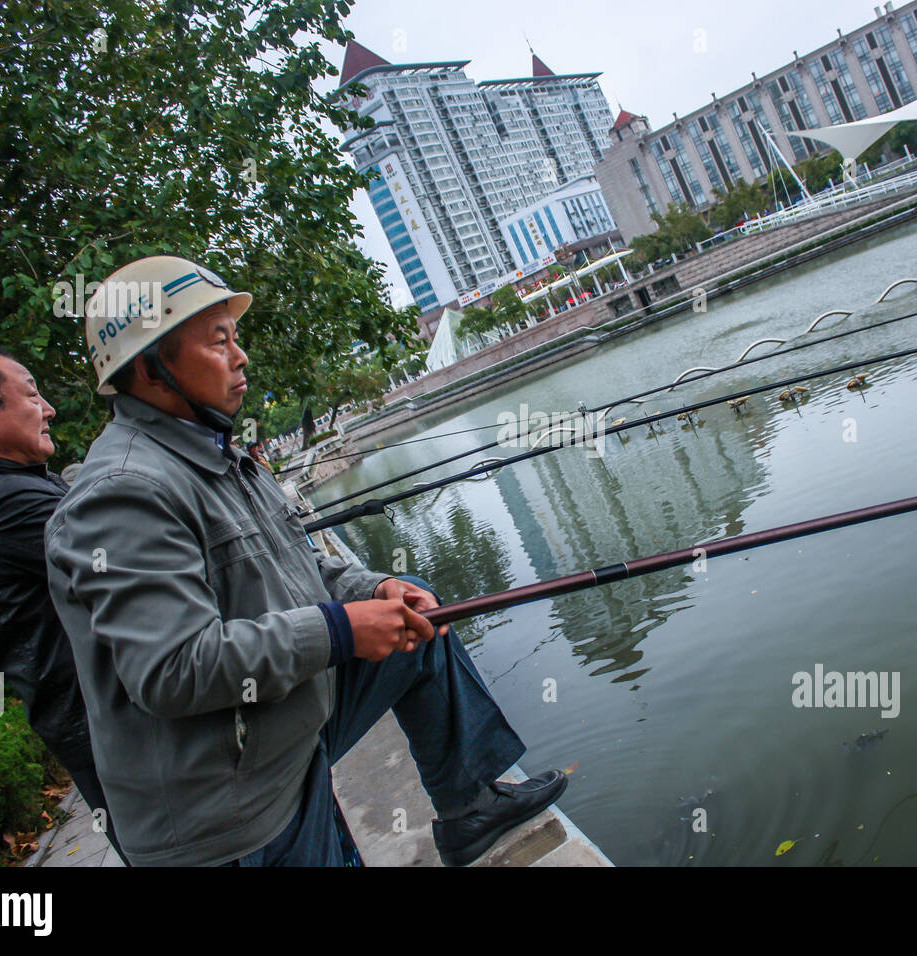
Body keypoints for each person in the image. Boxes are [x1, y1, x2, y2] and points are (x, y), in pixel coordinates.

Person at [45, 255, 566, 867]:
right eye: (218, 343)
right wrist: (341, 631)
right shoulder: (124, 491)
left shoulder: (218, 456)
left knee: (416, 620)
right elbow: (172, 668)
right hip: (225, 806)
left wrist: (377, 588)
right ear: (150, 369)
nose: (240, 357)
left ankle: (471, 807)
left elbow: (305, 568)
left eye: (234, 339)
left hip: (275, 731)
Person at [0, 344, 127, 864]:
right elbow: (127, 545)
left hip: (95, 721)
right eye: (32, 394)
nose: (49, 408)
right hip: (106, 726)